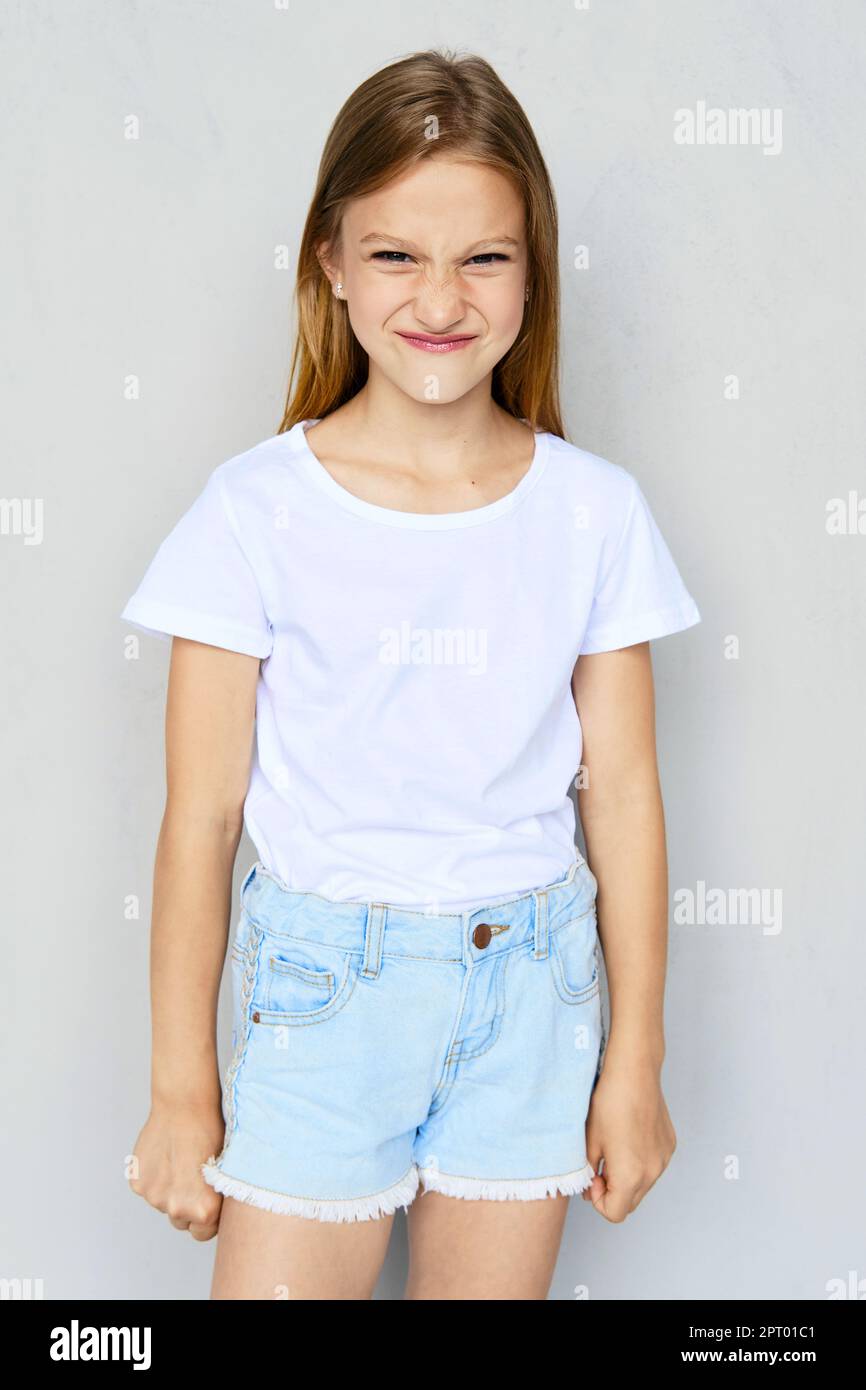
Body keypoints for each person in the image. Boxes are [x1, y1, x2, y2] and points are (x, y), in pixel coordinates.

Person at [122, 48, 701, 1301]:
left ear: (533, 275)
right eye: (393, 254)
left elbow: (626, 798)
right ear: (328, 264)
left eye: (483, 257)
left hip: (534, 995)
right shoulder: (251, 514)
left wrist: (634, 1063)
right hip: (325, 998)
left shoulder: (593, 514)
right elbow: (202, 818)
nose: (439, 296)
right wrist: (180, 1089)